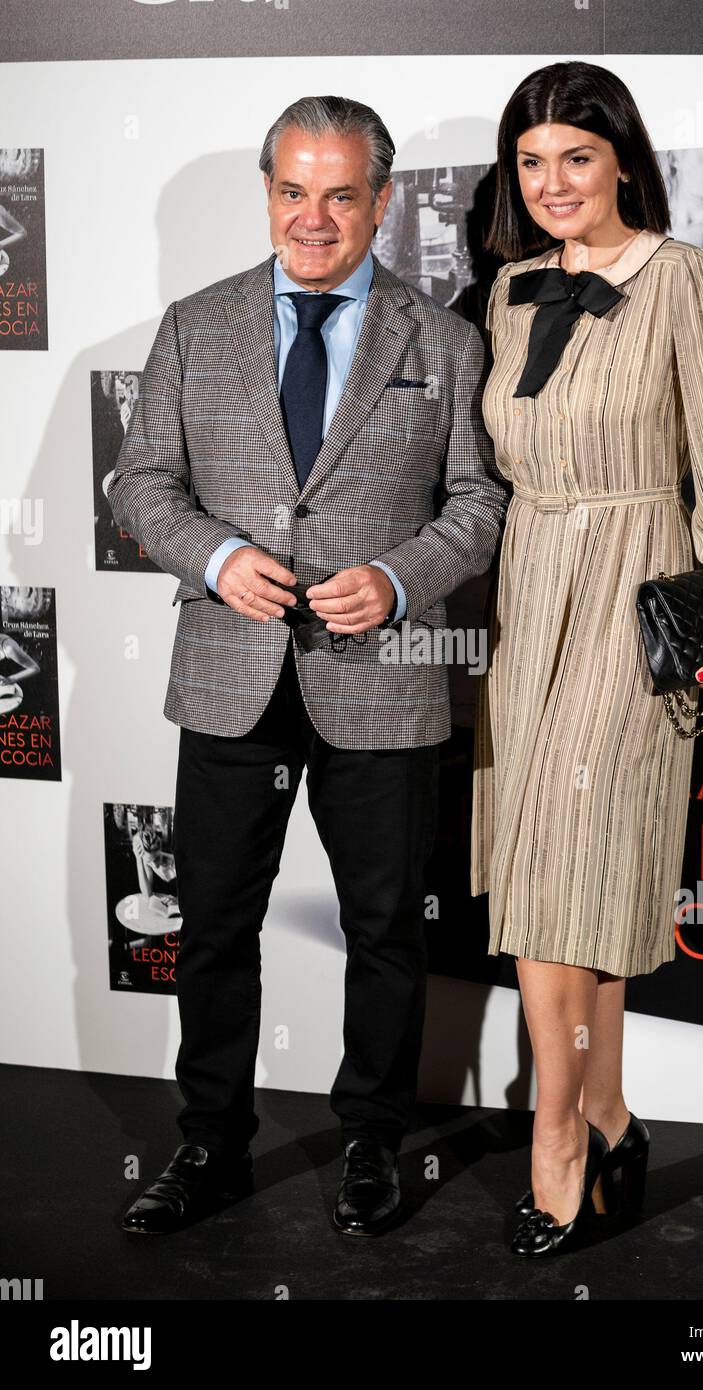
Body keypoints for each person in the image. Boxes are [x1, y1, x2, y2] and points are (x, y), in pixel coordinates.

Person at [109, 95, 508, 1237]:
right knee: (218, 927)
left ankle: (373, 1142)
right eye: (294, 191)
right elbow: (139, 485)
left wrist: (395, 581)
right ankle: (209, 1146)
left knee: (386, 928)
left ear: (381, 201)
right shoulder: (195, 325)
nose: (315, 218)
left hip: (380, 679)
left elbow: (479, 503)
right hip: (230, 672)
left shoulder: (442, 339)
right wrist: (219, 555)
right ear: (268, 193)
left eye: (341, 194)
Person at [470, 61, 703, 1258]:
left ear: (620, 162)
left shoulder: (683, 279)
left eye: (575, 155)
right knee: (574, 877)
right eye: (530, 161)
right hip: (529, 595)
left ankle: (556, 1140)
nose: (552, 182)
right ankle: (608, 1112)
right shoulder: (508, 290)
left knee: (564, 881)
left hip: (633, 594)